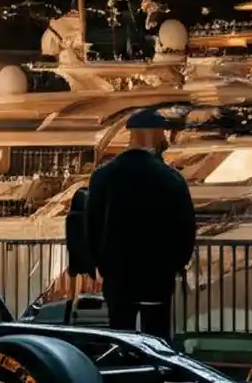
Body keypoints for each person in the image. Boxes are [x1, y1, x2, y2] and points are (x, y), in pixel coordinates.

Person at [80, 108, 196, 336]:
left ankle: (124, 369)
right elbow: (185, 226)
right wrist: (177, 263)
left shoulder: (103, 176)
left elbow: (91, 224)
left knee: (121, 333)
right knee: (156, 336)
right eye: (162, 133)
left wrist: (98, 262)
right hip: (156, 272)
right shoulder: (169, 177)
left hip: (117, 272)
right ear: (153, 134)